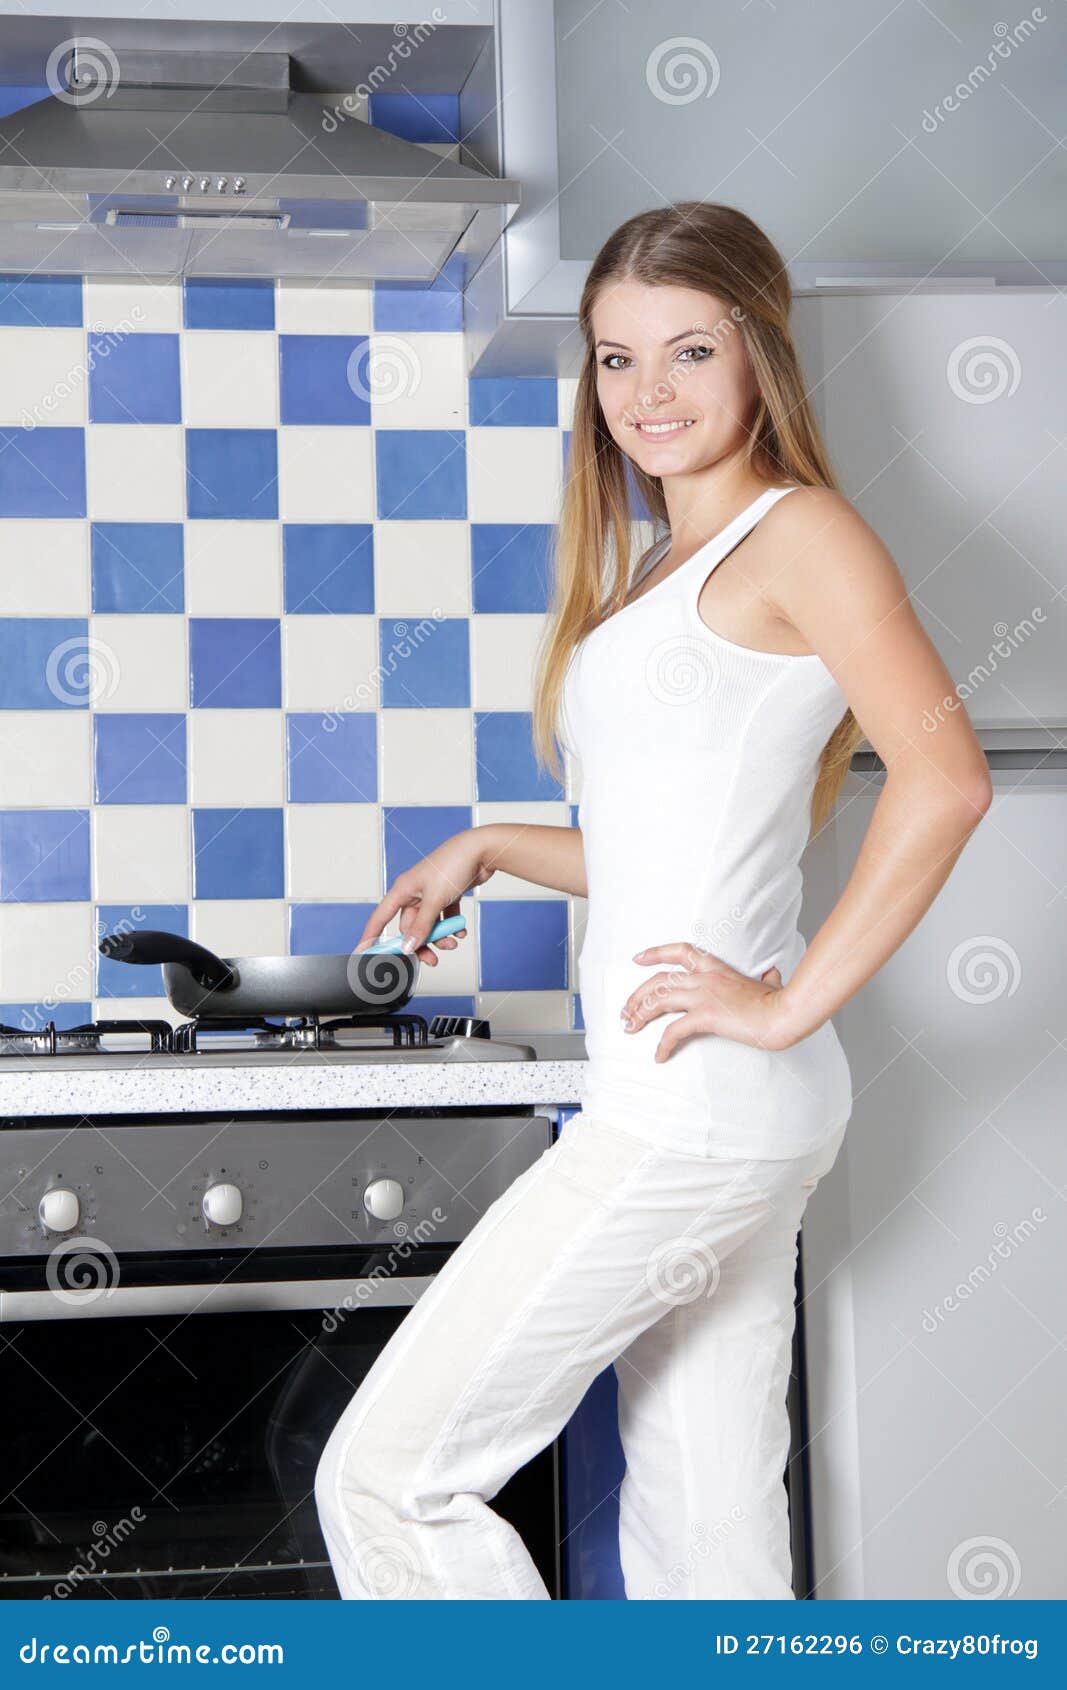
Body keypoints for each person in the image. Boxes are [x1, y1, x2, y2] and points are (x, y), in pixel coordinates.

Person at [313, 201, 992, 1600]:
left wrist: (787, 1003)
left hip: (697, 1112)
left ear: (760, 353)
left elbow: (946, 778)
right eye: (616, 359)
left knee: (388, 1478)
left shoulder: (800, 533)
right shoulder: (661, 566)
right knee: (704, 1532)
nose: (648, 392)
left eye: (689, 350)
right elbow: (668, 845)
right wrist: (494, 844)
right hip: (704, 1104)